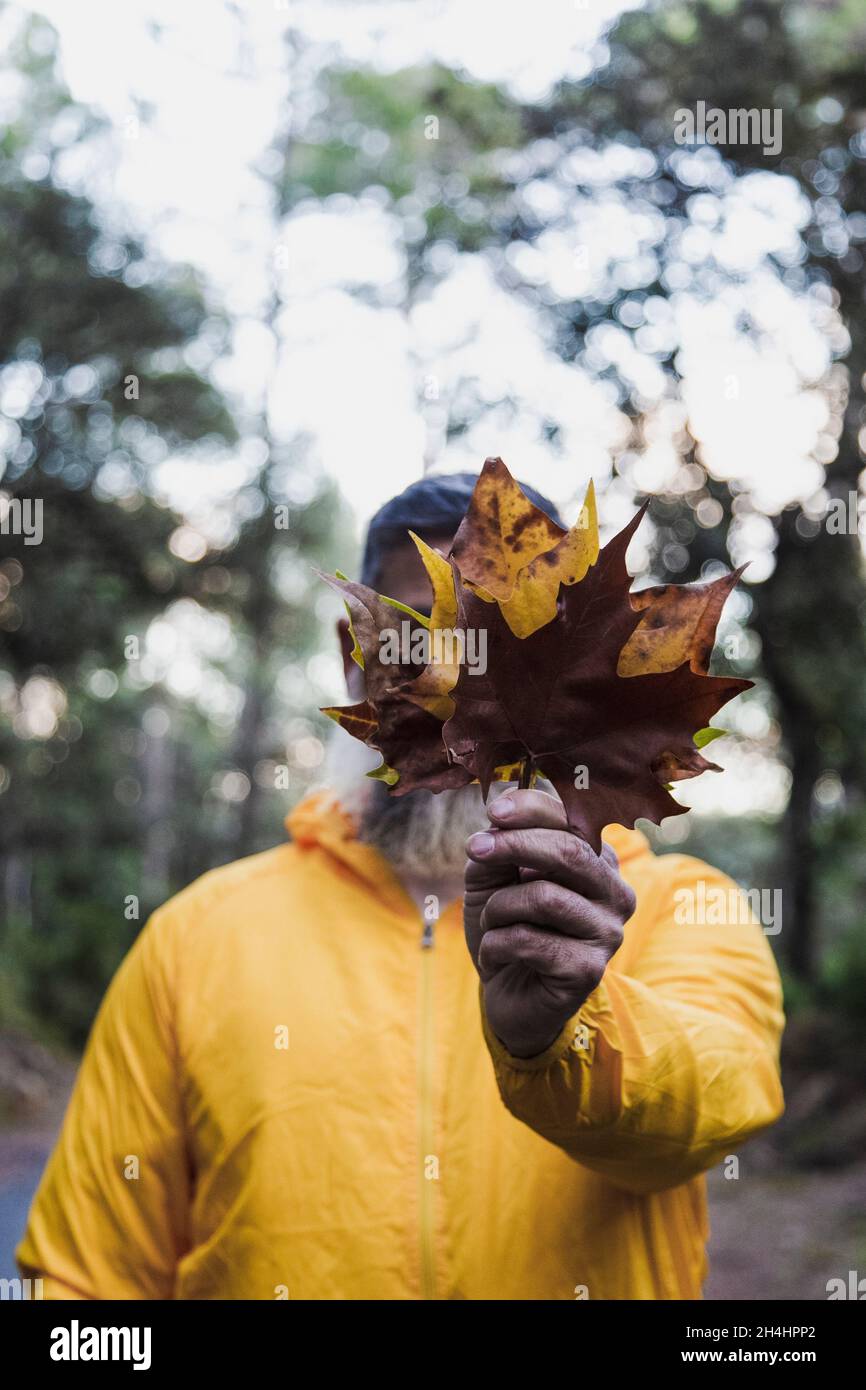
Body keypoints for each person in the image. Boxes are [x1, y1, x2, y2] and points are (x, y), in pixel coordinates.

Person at [17, 471, 785, 1300]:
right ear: (356, 661)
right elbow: (85, 1281)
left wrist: (563, 1036)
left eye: (502, 634)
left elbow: (712, 1113)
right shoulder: (195, 936)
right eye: (421, 634)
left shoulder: (681, 906)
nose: (458, 677)